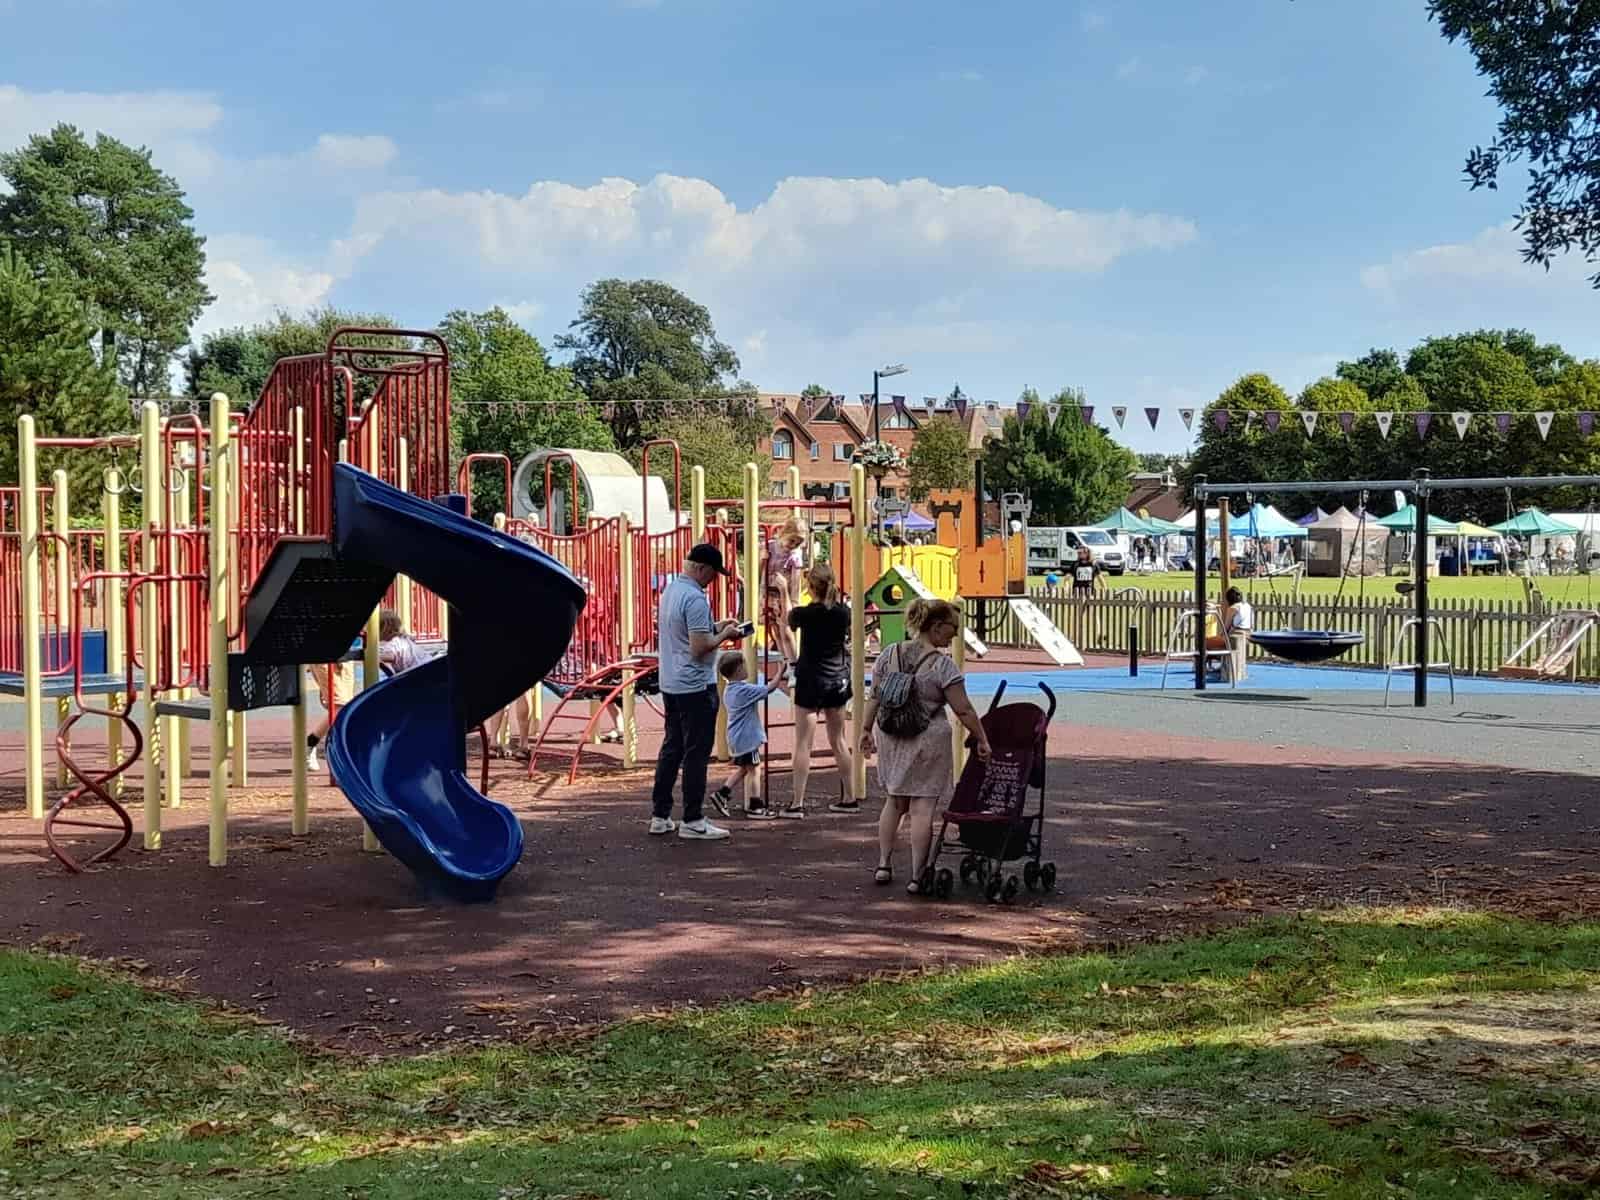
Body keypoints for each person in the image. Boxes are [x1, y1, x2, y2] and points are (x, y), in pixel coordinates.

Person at [860, 598, 991, 894]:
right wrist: (982, 738)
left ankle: (883, 863)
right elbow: (964, 710)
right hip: (928, 738)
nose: (955, 634)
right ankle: (918, 875)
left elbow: (875, 697)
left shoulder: (888, 654)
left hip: (891, 735)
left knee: (894, 802)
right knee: (922, 808)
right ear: (935, 627)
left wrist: (866, 729)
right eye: (951, 628)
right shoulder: (942, 666)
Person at [650, 543, 746, 839]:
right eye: (713, 574)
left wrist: (715, 627)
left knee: (672, 747)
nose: (713, 580)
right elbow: (699, 646)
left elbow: (690, 632)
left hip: (671, 682)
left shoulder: (671, 592)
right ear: (702, 568)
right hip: (695, 684)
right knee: (696, 751)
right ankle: (693, 818)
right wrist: (726, 634)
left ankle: (660, 813)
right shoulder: (695, 599)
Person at [785, 563, 858, 814]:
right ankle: (850, 797)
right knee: (839, 740)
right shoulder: (843, 613)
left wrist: (785, 590)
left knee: (803, 743)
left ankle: (797, 802)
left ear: (810, 586)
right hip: (837, 679)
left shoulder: (806, 613)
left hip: (810, 680)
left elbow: (788, 619)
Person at [709, 651, 790, 818]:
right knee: (754, 770)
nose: (747, 668)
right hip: (747, 738)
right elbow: (770, 688)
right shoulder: (743, 690)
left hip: (737, 737)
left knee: (744, 769)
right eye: (744, 665)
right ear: (739, 670)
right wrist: (780, 672)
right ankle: (755, 805)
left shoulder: (729, 690)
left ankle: (722, 793)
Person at [760, 518, 808, 666]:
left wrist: (794, 601)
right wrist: (762, 559)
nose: (793, 545)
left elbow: (795, 581)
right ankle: (785, 662)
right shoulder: (769, 547)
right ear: (784, 533)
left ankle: (794, 665)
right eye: (792, 541)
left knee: (786, 630)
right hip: (768, 591)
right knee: (776, 630)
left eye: (798, 543)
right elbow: (757, 570)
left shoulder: (794, 556)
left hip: (783, 594)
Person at [305, 658, 354, 771]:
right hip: (325, 656)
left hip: (347, 658)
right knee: (340, 708)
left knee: (346, 707)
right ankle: (310, 743)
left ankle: (311, 743)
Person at [377, 607, 422, 676]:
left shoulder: (392, 643)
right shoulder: (404, 638)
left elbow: (390, 656)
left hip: (417, 674)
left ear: (383, 630)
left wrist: (374, 657)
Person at [1221, 585, 1253, 682]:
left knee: (1211, 642)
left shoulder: (1233, 608)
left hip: (1237, 634)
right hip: (1248, 634)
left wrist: (1221, 634)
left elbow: (1226, 627)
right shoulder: (1248, 606)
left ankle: (1225, 666)